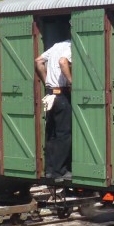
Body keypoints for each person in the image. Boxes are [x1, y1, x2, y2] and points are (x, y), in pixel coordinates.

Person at [35, 34, 73, 181]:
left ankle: (50, 170)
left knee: (51, 134)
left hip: (51, 94)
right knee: (64, 134)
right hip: (61, 94)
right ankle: (60, 171)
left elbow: (38, 61)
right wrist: (71, 82)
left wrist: (47, 82)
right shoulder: (70, 47)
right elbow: (63, 61)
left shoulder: (57, 46)